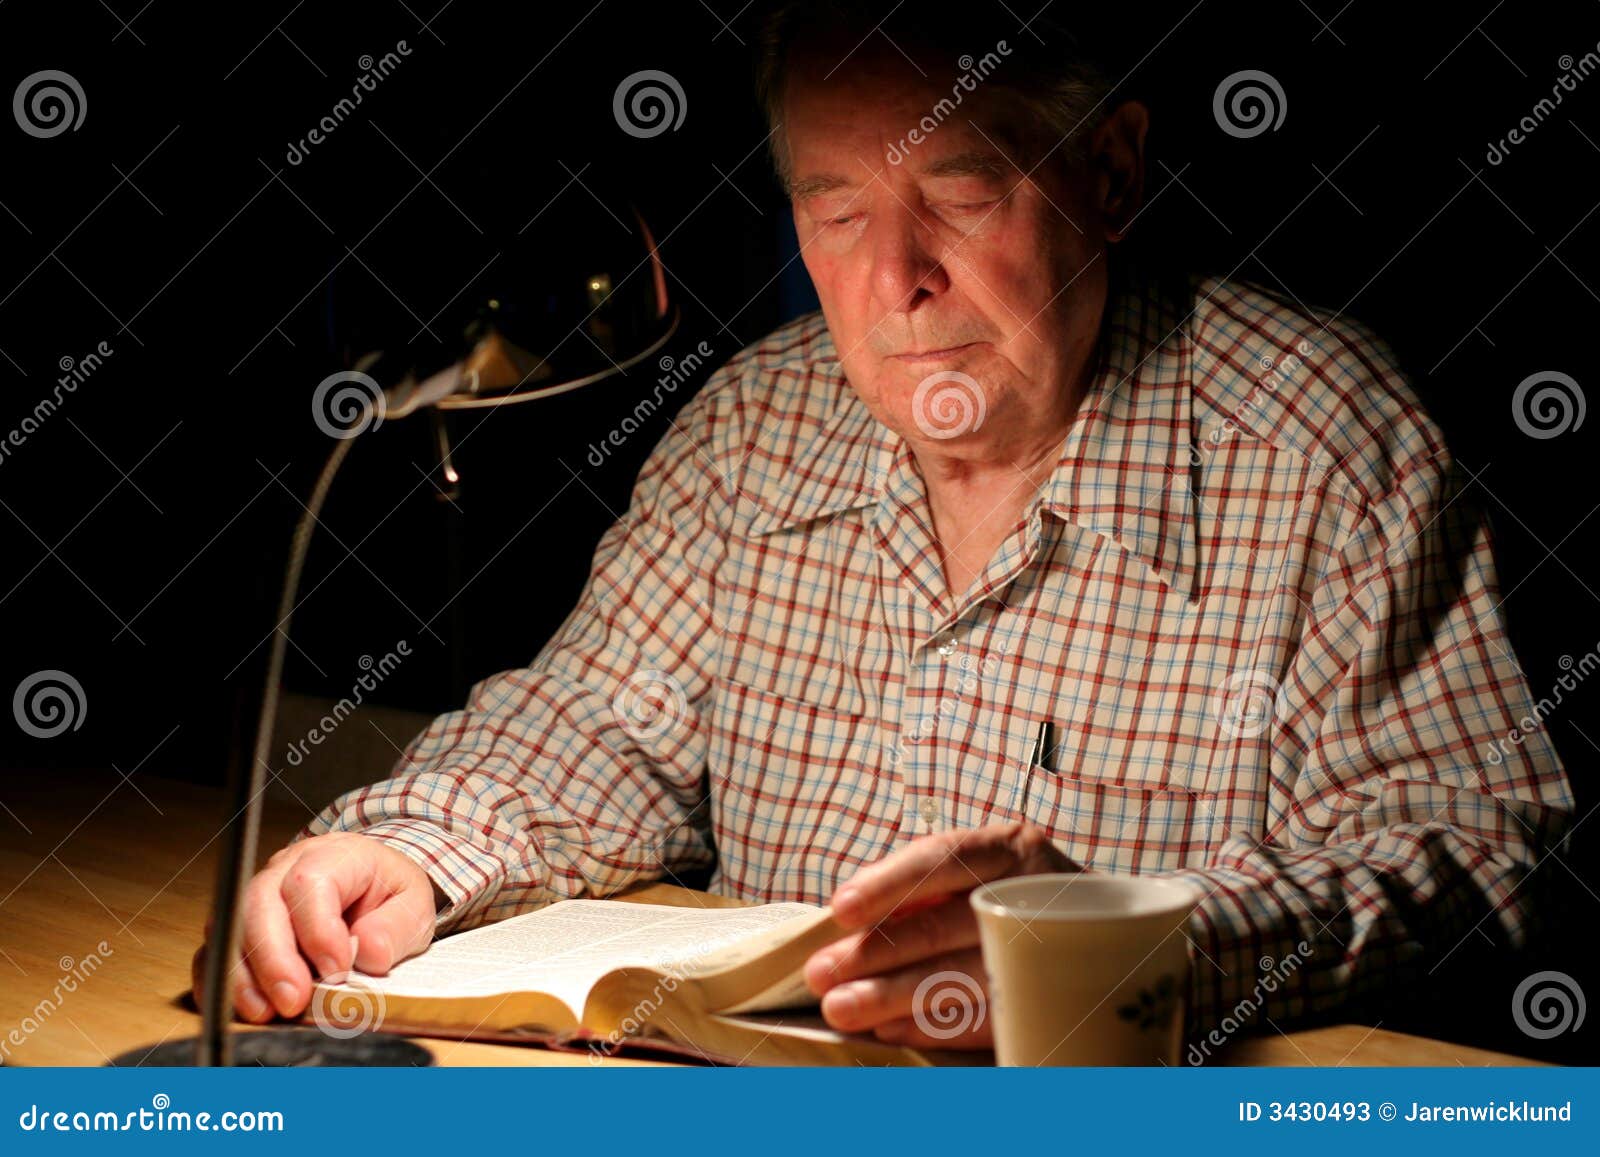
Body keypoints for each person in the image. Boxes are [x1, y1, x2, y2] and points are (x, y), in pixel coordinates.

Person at [197, 2, 1572, 1053]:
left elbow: (1465, 852)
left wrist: (1109, 941)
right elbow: (590, 730)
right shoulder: (756, 427)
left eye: (963, 196)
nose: (896, 282)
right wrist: (402, 849)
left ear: (1109, 173)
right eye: (837, 211)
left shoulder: (1326, 437)